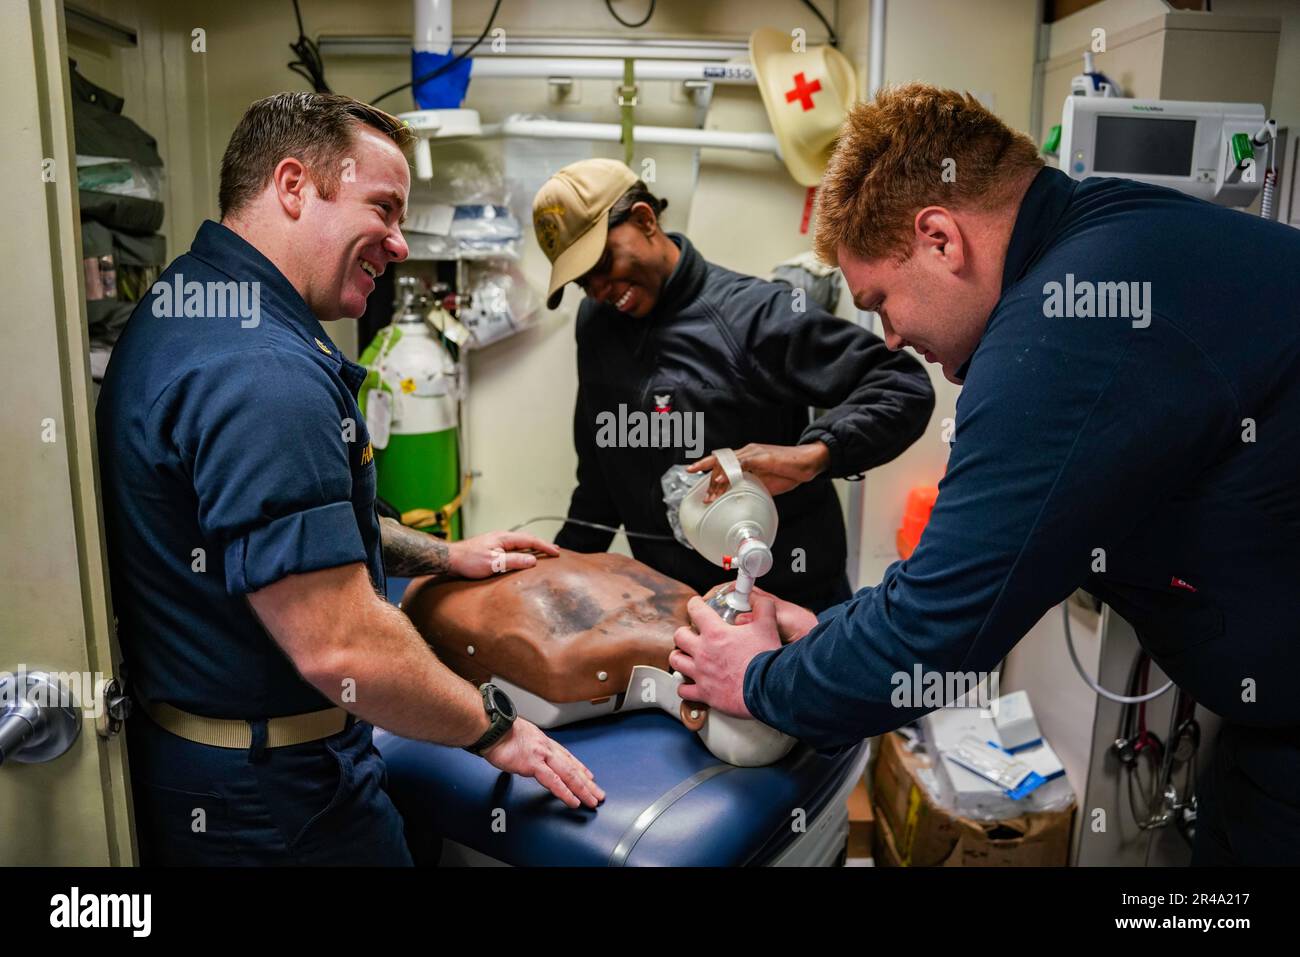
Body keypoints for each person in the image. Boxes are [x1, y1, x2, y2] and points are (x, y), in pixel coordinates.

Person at [670, 83, 1300, 866]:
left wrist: (760, 682)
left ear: (939, 238)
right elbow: (956, 586)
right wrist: (819, 634)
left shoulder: (1059, 333)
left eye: (883, 302)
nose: (892, 338)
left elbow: (937, 635)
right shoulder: (1108, 235)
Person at [97, 92, 601, 866]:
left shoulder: (191, 304)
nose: (399, 243)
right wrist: (498, 729)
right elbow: (342, 649)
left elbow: (287, 525)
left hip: (216, 773)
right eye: (385, 209)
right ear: (294, 186)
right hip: (281, 805)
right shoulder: (263, 373)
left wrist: (443, 555)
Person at [533, 158, 935, 612]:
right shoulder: (597, 326)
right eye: (584, 281)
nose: (599, 288)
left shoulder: (755, 316)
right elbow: (601, 473)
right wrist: (558, 578)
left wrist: (812, 455)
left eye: (603, 262)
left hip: (787, 604)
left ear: (645, 219)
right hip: (677, 611)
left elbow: (900, 383)